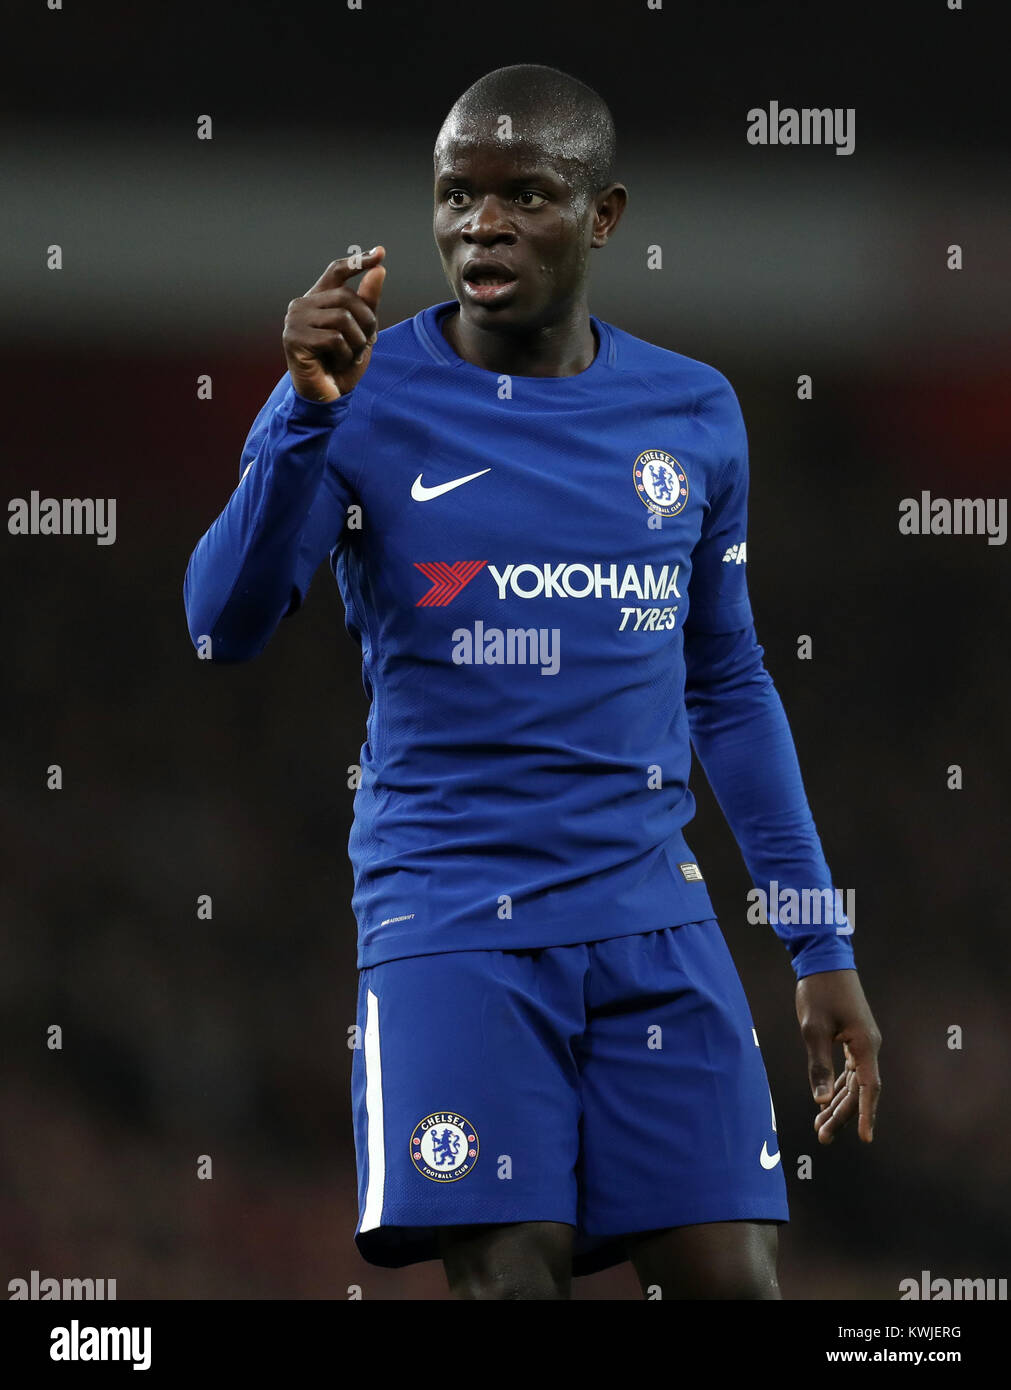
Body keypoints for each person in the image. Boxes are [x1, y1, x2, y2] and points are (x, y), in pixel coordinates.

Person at [183, 64, 882, 1300]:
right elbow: (221, 627)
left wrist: (817, 939)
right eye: (457, 195)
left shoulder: (694, 413)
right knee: (514, 1282)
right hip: (455, 917)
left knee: (737, 1282)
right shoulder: (353, 391)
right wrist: (299, 416)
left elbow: (727, 683)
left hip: (652, 918)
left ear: (603, 216)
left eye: (525, 195)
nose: (480, 224)